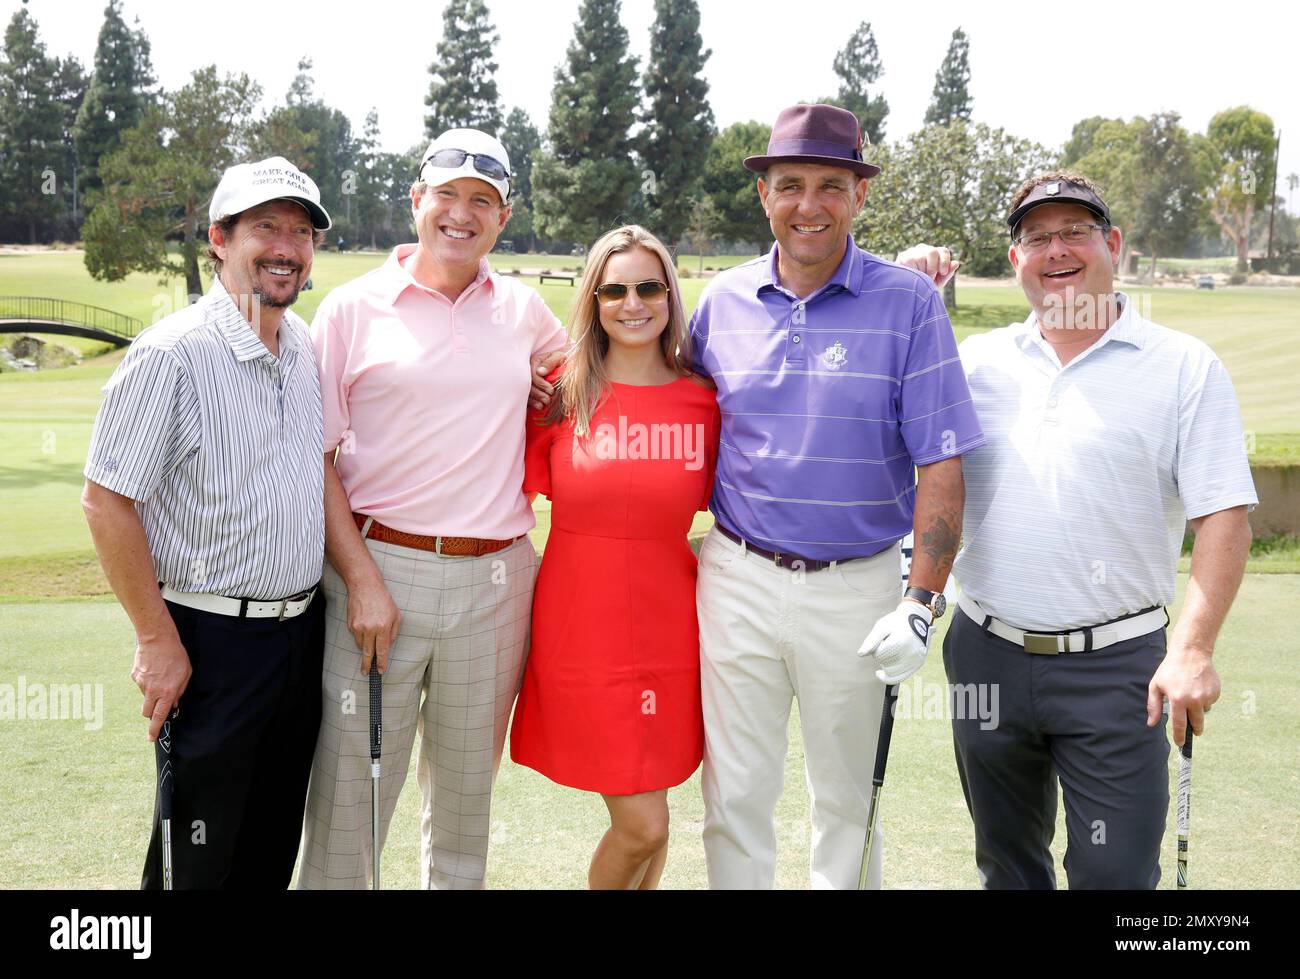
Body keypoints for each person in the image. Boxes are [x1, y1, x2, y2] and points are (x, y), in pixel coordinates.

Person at [902, 171, 1257, 888]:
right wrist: (908, 295)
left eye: (1074, 232)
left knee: (1115, 874)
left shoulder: (1183, 367)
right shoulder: (975, 361)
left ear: (1112, 244)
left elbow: (1222, 512)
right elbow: (894, 440)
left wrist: (1192, 647)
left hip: (1120, 669)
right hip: (986, 656)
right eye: (1037, 237)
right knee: (1007, 866)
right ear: (1015, 260)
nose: (1056, 250)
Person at [686, 103, 986, 889]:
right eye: (790, 185)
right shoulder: (720, 302)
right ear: (764, 196)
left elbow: (943, 464)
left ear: (859, 196)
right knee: (735, 796)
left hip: (857, 586)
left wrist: (921, 601)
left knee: (846, 806)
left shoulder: (909, 304)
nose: (808, 204)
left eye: (830, 184)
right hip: (736, 577)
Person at [298, 128, 567, 890]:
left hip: (497, 581)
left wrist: (548, 392)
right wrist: (362, 579)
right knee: (352, 794)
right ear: (417, 201)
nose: (462, 213)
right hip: (375, 568)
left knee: (463, 805)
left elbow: (585, 375)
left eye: (482, 201)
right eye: (446, 195)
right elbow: (314, 459)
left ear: (502, 218)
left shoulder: (521, 309)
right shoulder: (351, 310)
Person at [82, 157, 331, 889]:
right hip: (211, 639)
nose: (286, 245)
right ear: (221, 238)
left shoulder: (304, 344)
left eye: (301, 230)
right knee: (193, 857)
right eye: (265, 227)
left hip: (298, 638)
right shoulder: (173, 353)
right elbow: (105, 500)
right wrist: (156, 638)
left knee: (266, 847)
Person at [510, 225, 720, 890]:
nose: (634, 302)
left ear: (670, 294)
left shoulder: (704, 399)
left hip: (675, 629)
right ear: (594, 300)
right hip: (582, 629)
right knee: (644, 825)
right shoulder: (556, 395)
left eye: (650, 286)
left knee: (658, 816)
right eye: (616, 289)